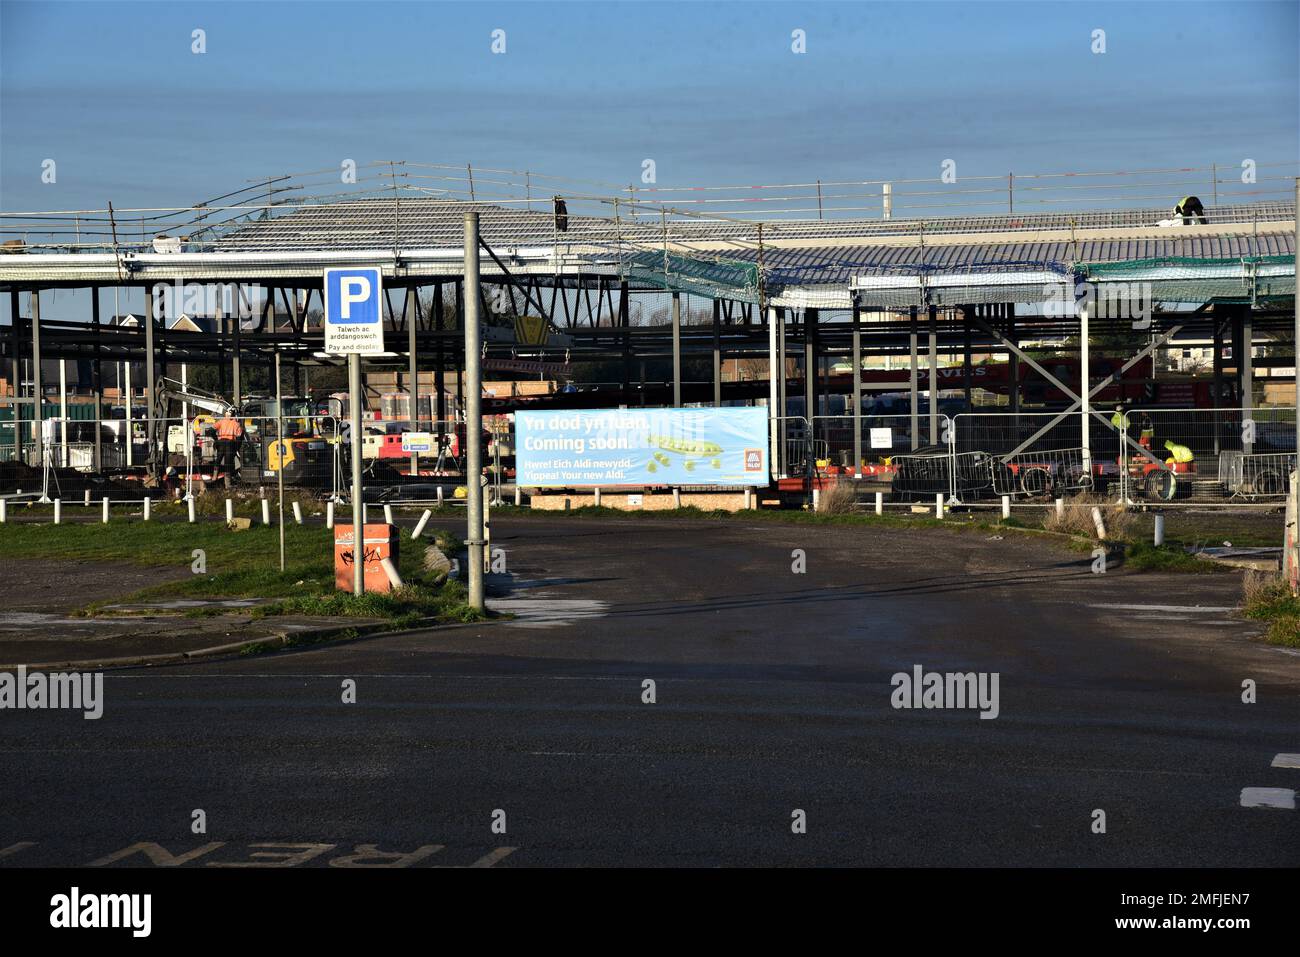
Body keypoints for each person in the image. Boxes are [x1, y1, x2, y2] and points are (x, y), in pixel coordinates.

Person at [214, 412, 244, 483]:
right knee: (228, 463)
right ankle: (227, 484)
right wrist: (237, 447)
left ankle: (214, 477)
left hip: (221, 442)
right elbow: (239, 436)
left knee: (218, 460)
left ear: (225, 415)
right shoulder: (236, 424)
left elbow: (211, 430)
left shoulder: (221, 422)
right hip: (230, 444)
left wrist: (216, 440)